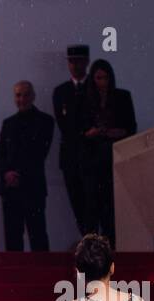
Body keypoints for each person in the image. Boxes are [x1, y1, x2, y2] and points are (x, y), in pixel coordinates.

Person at [78, 59, 136, 248]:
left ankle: (110, 248)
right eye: (96, 78)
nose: (100, 82)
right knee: (91, 207)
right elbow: (78, 131)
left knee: (110, 209)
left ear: (110, 78)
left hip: (112, 158)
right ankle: (91, 250)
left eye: (103, 77)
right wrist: (92, 133)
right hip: (92, 160)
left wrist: (113, 132)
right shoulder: (86, 100)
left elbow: (130, 127)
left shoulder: (122, 97)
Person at [0, 81, 54, 252]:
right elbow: (0, 154)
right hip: (10, 188)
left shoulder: (46, 121)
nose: (21, 99)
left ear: (33, 96)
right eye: (18, 95)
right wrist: (7, 173)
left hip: (32, 186)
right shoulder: (8, 123)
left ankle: (44, 277)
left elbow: (39, 154)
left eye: (26, 94)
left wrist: (16, 174)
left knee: (38, 237)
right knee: (12, 239)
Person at [52, 44, 90, 234]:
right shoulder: (61, 91)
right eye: (72, 61)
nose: (75, 65)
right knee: (78, 205)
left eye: (79, 61)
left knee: (95, 204)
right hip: (71, 157)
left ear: (86, 62)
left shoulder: (93, 86)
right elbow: (64, 125)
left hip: (92, 156)